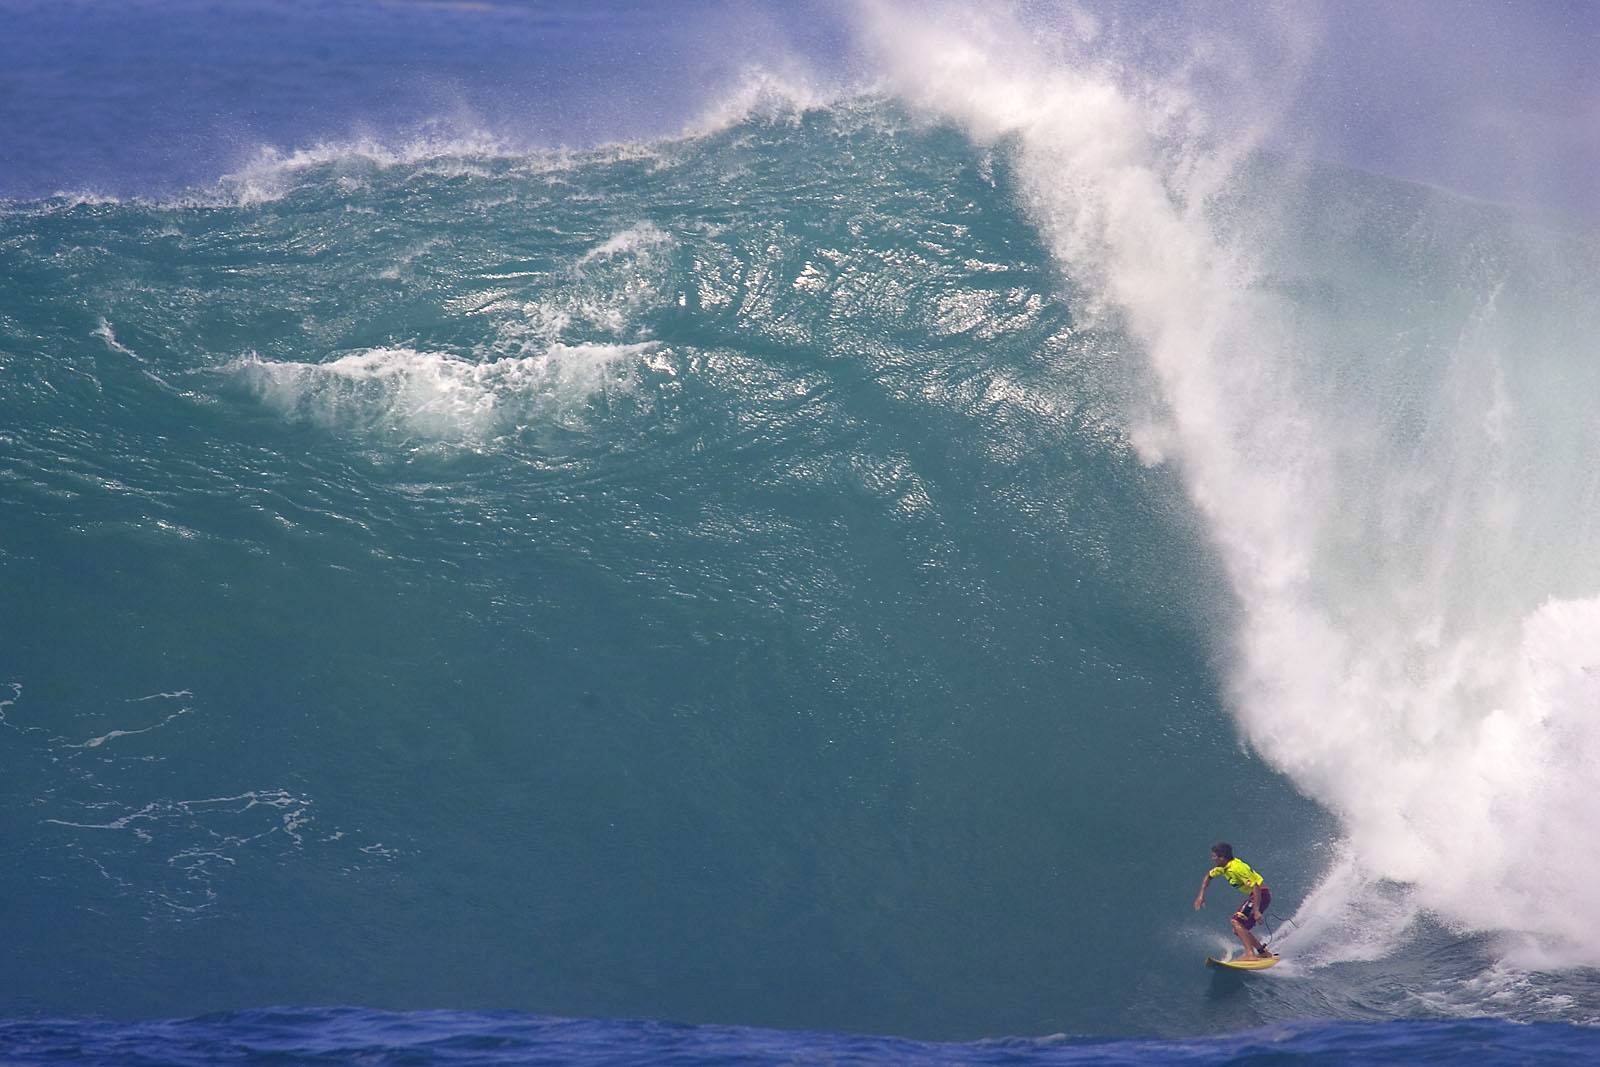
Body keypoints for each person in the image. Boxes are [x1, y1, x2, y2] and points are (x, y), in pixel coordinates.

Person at [1193, 842, 1273, 958]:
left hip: (1261, 894)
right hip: (1255, 895)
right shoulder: (1223, 868)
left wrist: (1256, 911)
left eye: (1214, 856)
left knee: (1236, 922)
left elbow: (1256, 887)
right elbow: (1208, 876)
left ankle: (1250, 954)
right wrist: (1201, 896)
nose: (1212, 859)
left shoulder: (1237, 868)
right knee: (1238, 929)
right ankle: (1262, 952)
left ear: (1222, 857)